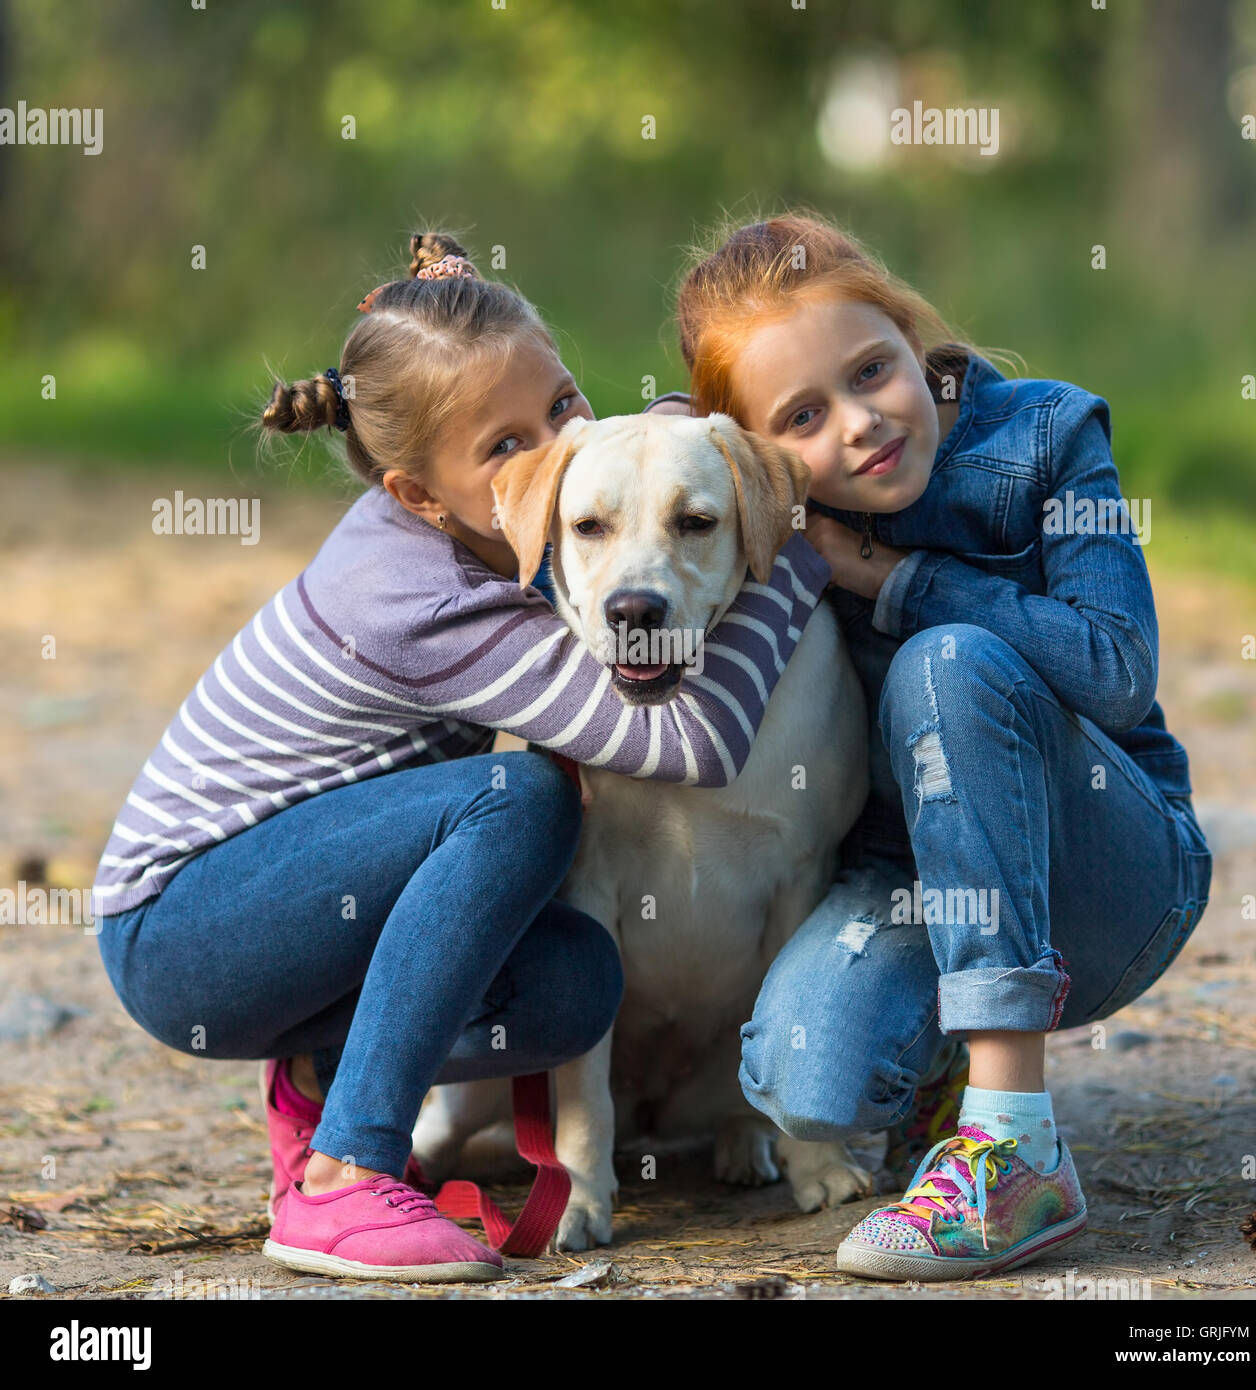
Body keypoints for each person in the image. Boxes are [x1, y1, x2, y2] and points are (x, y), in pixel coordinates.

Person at [91, 231, 832, 1282]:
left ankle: (318, 1071)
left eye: (565, 407)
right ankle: (346, 1172)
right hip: (181, 924)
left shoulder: (518, 530)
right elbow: (695, 739)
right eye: (503, 447)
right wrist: (797, 544)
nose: (550, 450)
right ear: (418, 497)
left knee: (574, 981)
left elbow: (636, 487)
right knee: (525, 799)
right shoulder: (418, 595)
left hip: (293, 910)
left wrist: (677, 445)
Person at [651, 210, 1212, 1280]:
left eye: (872, 371)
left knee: (944, 661)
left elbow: (1116, 669)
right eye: (803, 416)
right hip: (913, 882)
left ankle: (1014, 1148)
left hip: (1111, 869)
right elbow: (628, 519)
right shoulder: (770, 508)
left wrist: (896, 581)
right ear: (758, 455)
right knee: (805, 1081)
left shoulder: (1047, 436)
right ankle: (947, 1087)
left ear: (911, 335)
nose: (858, 424)